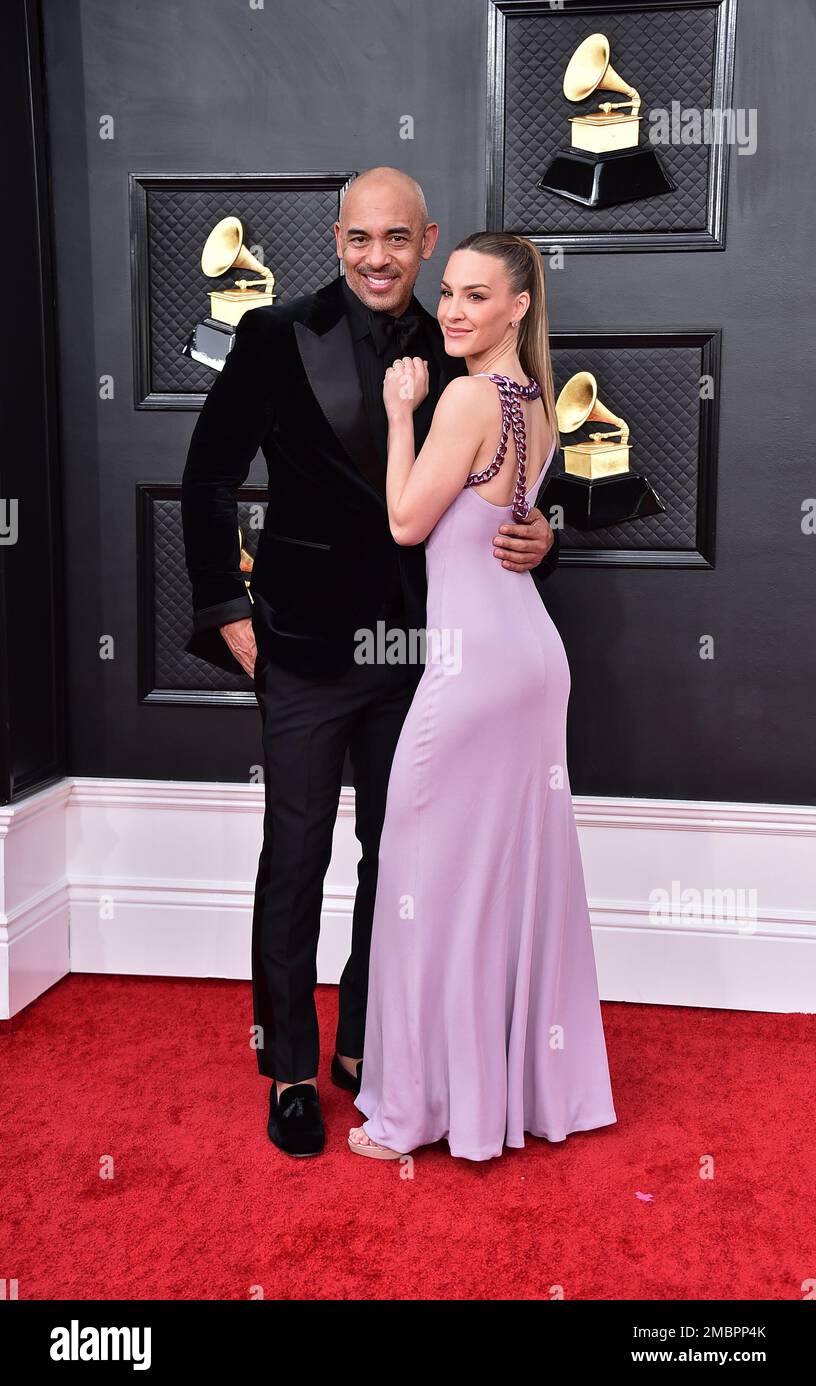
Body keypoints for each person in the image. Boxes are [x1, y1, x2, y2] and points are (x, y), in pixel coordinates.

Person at [180, 169, 559, 1159]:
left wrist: (538, 530)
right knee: (295, 859)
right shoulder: (272, 335)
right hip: (302, 644)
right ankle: (293, 1071)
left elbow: (495, 479)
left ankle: (367, 1043)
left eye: (399, 239)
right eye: (361, 238)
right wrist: (226, 605)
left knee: (400, 865)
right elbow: (208, 475)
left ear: (427, 240)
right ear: (337, 234)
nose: (380, 257)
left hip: (425, 652)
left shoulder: (458, 338)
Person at [348, 231, 617, 1162]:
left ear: (518, 307)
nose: (453, 310)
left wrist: (397, 414)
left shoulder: (462, 396)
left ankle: (418, 1111)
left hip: (473, 671)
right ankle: (512, 1093)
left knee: (427, 880)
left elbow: (405, 521)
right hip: (532, 660)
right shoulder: (538, 403)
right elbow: (510, 521)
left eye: (475, 295)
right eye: (449, 293)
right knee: (508, 880)